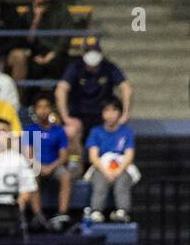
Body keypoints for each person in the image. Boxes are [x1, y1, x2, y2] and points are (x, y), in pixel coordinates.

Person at [56, 38, 131, 157]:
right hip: (79, 114)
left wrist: (125, 114)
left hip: (102, 115)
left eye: (95, 51)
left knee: (119, 129)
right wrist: (65, 116)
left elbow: (126, 87)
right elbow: (61, 88)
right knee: (69, 131)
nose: (92, 54)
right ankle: (77, 163)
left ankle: (108, 162)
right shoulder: (75, 67)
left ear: (100, 52)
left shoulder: (109, 67)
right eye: (88, 51)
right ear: (82, 53)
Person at [22, 92, 73, 229]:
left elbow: (63, 156)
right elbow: (28, 155)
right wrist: (40, 167)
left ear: (51, 109)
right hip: (36, 166)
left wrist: (51, 167)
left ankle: (62, 213)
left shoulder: (59, 131)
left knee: (66, 176)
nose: (43, 110)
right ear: (35, 110)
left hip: (54, 165)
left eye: (46, 107)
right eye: (39, 107)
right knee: (31, 175)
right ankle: (37, 215)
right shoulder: (29, 130)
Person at [84, 98, 137, 223]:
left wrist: (118, 171)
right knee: (99, 182)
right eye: (107, 110)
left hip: (122, 167)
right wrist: (107, 172)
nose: (110, 114)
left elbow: (129, 155)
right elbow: (93, 157)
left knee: (122, 181)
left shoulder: (127, 131)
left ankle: (122, 211)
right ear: (102, 113)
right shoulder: (96, 131)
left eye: (114, 110)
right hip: (102, 167)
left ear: (120, 113)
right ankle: (96, 211)